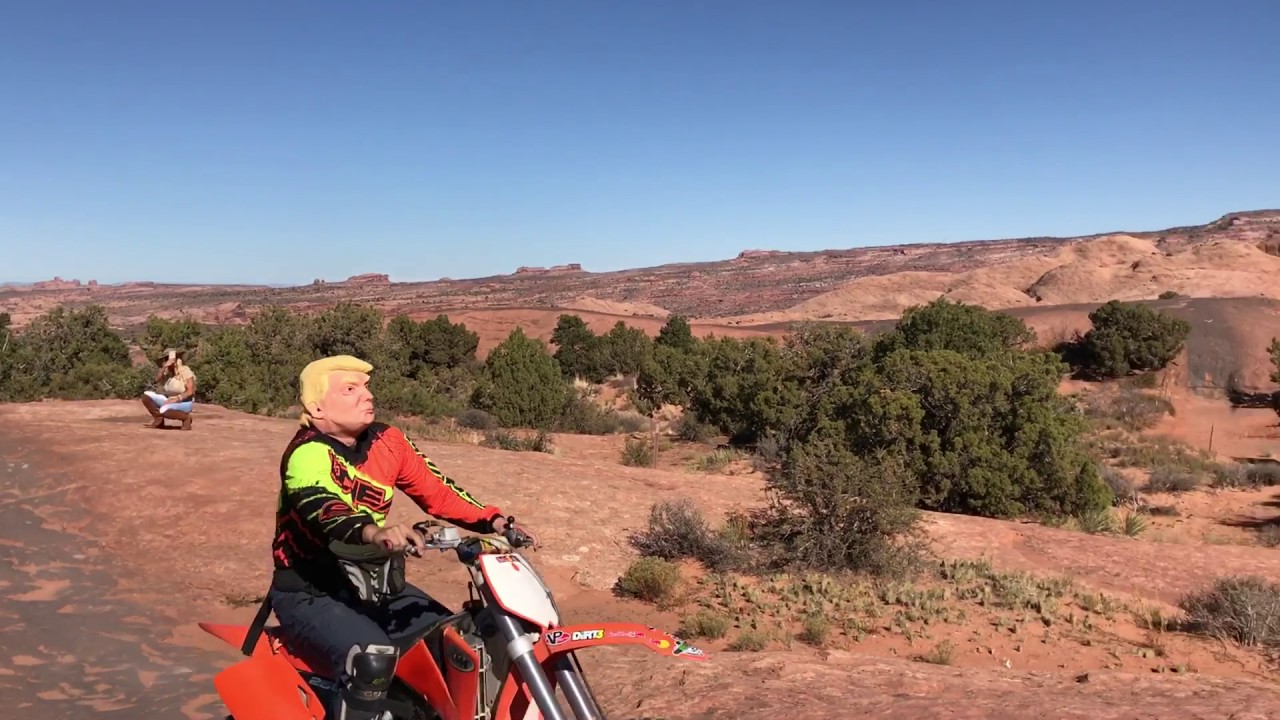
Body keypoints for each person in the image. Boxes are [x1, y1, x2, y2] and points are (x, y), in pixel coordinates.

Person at [266, 354, 538, 720]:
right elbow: (324, 508)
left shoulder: (388, 441)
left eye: (366, 387)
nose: (367, 396)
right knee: (371, 659)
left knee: (454, 645)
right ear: (316, 407)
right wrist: (373, 531)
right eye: (350, 389)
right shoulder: (307, 454)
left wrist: (495, 521)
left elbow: (438, 491)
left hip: (377, 588)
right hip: (310, 593)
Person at [142, 348, 197, 430]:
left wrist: (177, 399)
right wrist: (164, 367)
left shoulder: (185, 371)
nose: (168, 361)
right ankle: (158, 419)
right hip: (169, 400)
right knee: (146, 396)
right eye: (166, 359)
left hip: (184, 402)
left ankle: (186, 418)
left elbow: (190, 391)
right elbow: (157, 380)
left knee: (163, 410)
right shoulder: (168, 373)